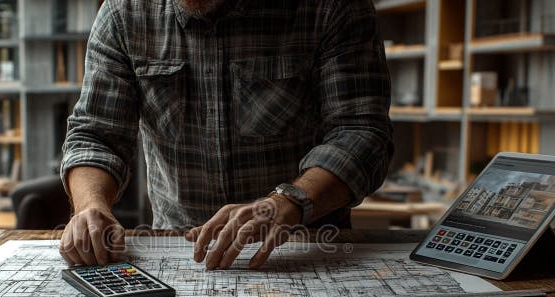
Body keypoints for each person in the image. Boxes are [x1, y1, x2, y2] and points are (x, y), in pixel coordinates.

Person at [60, 0, 394, 269]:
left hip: (308, 249)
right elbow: (95, 136)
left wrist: (288, 202)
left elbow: (361, 132)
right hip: (179, 254)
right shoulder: (123, 15)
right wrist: (91, 206)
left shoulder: (331, 8)